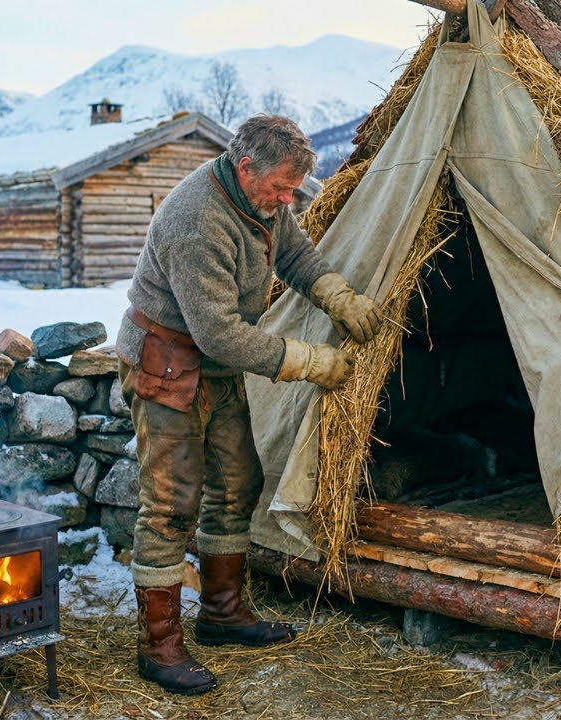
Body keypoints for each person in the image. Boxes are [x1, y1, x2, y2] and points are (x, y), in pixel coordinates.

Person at [114, 114, 382, 695]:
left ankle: (221, 614)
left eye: (293, 189)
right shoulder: (196, 219)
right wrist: (312, 362)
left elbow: (296, 256)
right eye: (283, 188)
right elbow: (220, 333)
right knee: (169, 503)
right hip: (168, 364)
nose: (289, 200)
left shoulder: (263, 201)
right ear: (245, 168)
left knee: (238, 484)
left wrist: (336, 295)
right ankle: (157, 648)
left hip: (213, 365)